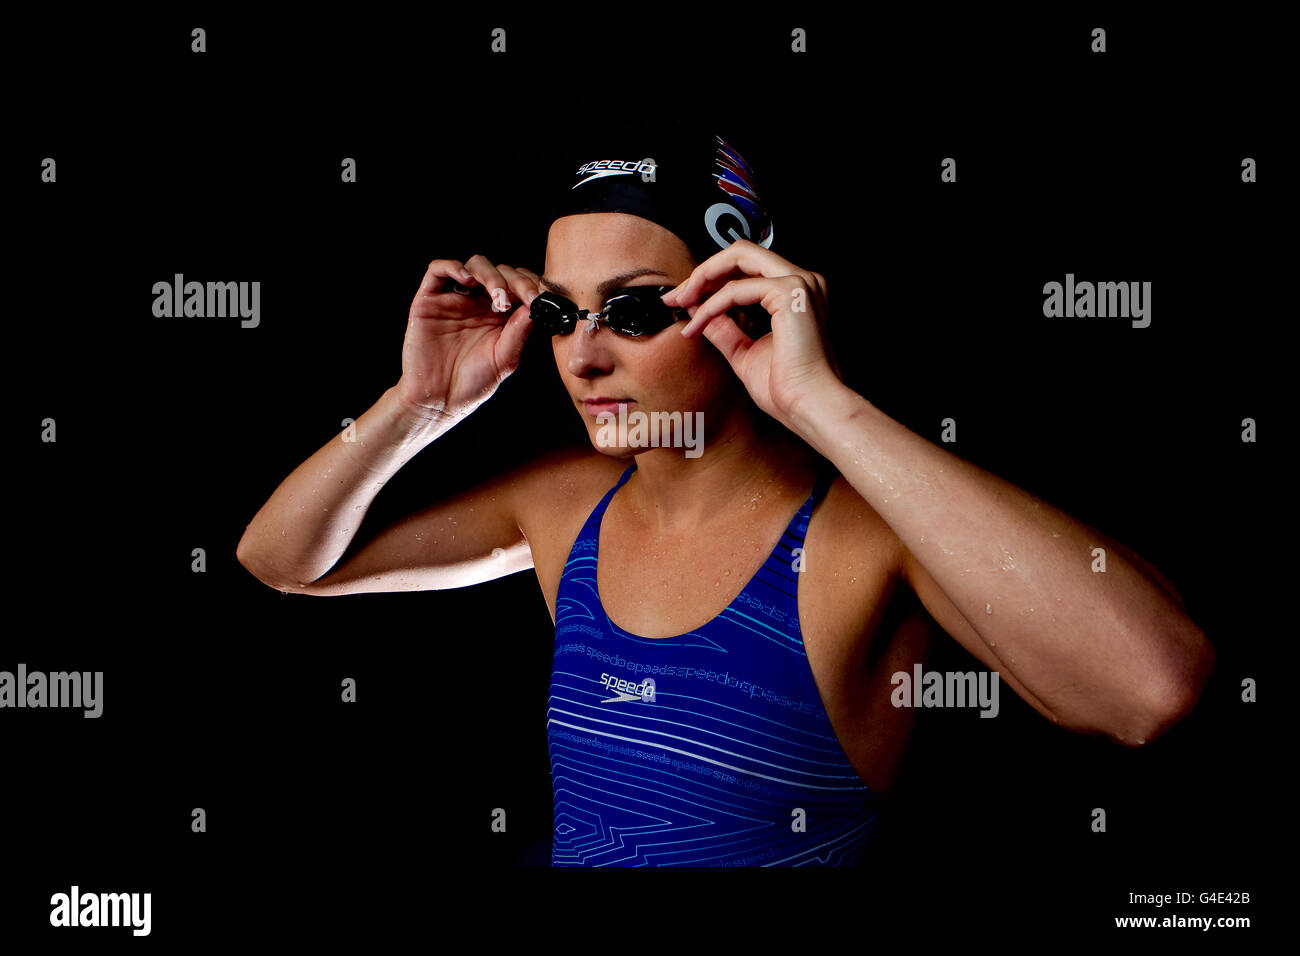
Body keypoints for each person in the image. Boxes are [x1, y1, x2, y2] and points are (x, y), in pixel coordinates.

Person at [236, 120, 1215, 867]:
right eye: (561, 312)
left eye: (630, 309)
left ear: (738, 296)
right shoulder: (564, 504)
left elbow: (1150, 688)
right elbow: (282, 560)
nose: (582, 353)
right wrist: (415, 406)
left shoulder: (858, 537)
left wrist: (817, 402)